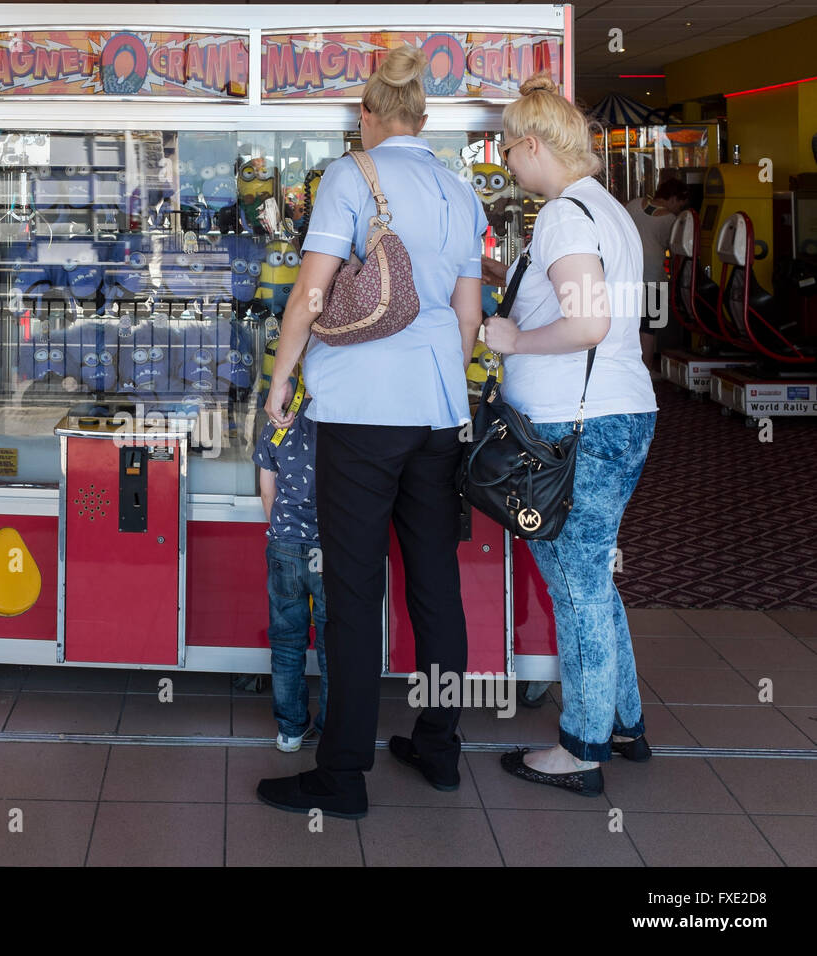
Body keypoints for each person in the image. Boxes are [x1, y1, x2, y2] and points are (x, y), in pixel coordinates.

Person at [256, 44, 486, 819]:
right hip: (438, 413)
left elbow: (310, 298)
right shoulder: (461, 192)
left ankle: (343, 773)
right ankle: (441, 745)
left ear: (367, 115)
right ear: (424, 116)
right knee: (436, 589)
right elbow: (468, 317)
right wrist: (443, 390)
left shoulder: (352, 178)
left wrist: (281, 382)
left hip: (358, 414)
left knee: (354, 591)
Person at [484, 72, 658, 797]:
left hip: (580, 430)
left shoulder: (562, 214)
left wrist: (512, 340)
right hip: (612, 417)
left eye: (506, 148)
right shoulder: (603, 209)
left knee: (579, 586)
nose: (504, 163)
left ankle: (582, 747)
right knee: (588, 580)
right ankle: (622, 720)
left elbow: (587, 323)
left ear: (531, 143)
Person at [253, 369, 327, 753]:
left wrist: (281, 531)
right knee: (334, 643)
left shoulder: (276, 428)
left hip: (285, 546)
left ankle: (290, 731)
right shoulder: (342, 429)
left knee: (286, 641)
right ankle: (334, 728)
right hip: (332, 549)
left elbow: (267, 490)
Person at [625, 178, 691, 375]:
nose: (679, 208)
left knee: (630, 324)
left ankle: (629, 369)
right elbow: (676, 248)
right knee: (649, 326)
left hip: (628, 272)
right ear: (672, 198)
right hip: (654, 274)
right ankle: (646, 369)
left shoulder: (634, 204)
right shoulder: (670, 220)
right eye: (679, 203)